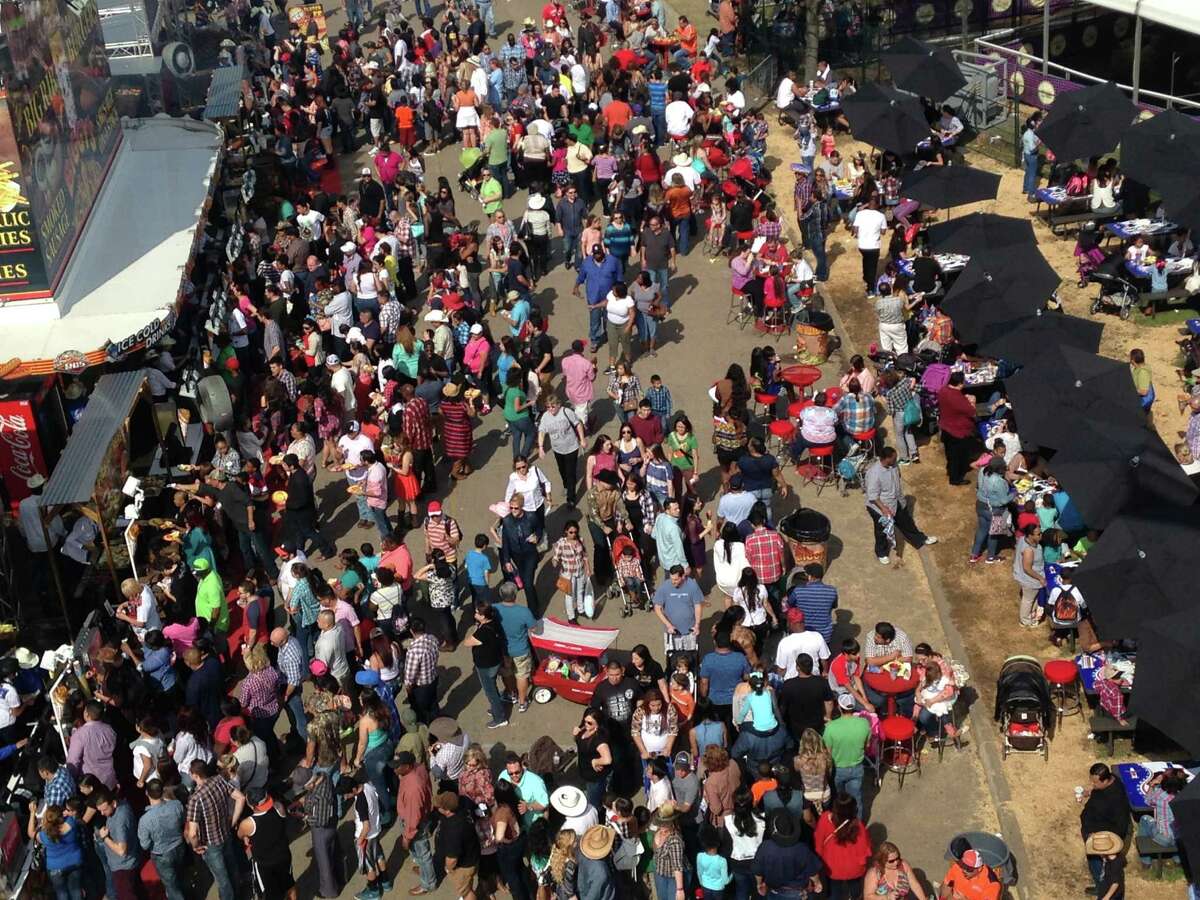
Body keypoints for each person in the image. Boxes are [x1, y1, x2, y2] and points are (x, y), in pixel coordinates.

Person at [864, 447, 938, 565]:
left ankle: (920, 539)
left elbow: (897, 476)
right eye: (894, 458)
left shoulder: (893, 465)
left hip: (896, 500)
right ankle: (881, 553)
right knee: (881, 530)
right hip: (879, 507)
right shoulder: (874, 473)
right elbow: (872, 496)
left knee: (906, 522)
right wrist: (884, 509)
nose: (896, 459)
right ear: (887, 458)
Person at [1081, 763, 1132, 894]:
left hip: (1101, 838)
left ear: (1106, 780)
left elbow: (1120, 826)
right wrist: (1090, 792)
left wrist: (1105, 844)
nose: (1093, 784)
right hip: (1092, 829)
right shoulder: (1109, 780)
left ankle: (1101, 888)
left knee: (1098, 865)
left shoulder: (1116, 799)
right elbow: (1097, 793)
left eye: (1095, 782)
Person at [752, 810, 823, 898]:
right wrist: (817, 883)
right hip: (797, 892)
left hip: (774, 892)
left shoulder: (765, 847)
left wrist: (759, 884)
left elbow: (757, 870)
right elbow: (812, 871)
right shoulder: (802, 849)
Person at [814, 794, 871, 900]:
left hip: (832, 867)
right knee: (855, 887)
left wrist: (821, 856)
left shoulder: (825, 819)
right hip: (854, 868)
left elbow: (818, 840)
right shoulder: (858, 826)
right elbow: (865, 850)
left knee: (834, 891)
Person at [138, 781, 187, 900]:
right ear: (162, 791)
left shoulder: (145, 820)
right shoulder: (176, 805)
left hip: (161, 855)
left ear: (147, 793)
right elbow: (182, 820)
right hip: (179, 847)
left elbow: (145, 845)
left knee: (172, 887)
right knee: (180, 877)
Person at [822, 694, 871, 816]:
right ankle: (858, 827)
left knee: (839, 801)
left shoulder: (830, 727)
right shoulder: (864, 723)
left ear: (839, 707)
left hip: (838, 769)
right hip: (857, 767)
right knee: (856, 799)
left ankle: (841, 825)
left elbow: (827, 753)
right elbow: (867, 746)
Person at [434, 791, 482, 900]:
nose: (437, 808)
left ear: (447, 810)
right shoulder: (462, 806)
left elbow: (452, 859)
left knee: (466, 892)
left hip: (463, 866)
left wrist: (448, 868)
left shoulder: (454, 830)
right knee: (467, 884)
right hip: (472, 854)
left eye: (439, 807)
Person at [937, 372, 980, 486]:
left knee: (950, 454)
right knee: (958, 456)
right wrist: (972, 401)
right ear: (960, 384)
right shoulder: (958, 398)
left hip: (946, 427)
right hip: (958, 432)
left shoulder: (943, 390)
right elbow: (972, 412)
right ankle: (956, 478)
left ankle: (950, 471)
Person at [1013, 525, 1046, 627]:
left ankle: (1031, 614)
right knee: (1028, 599)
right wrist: (1040, 578)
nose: (1041, 535)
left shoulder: (1023, 539)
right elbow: (1027, 568)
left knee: (1031, 598)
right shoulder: (1029, 551)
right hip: (1030, 580)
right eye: (1038, 534)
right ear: (1030, 536)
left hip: (1026, 577)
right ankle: (1025, 621)